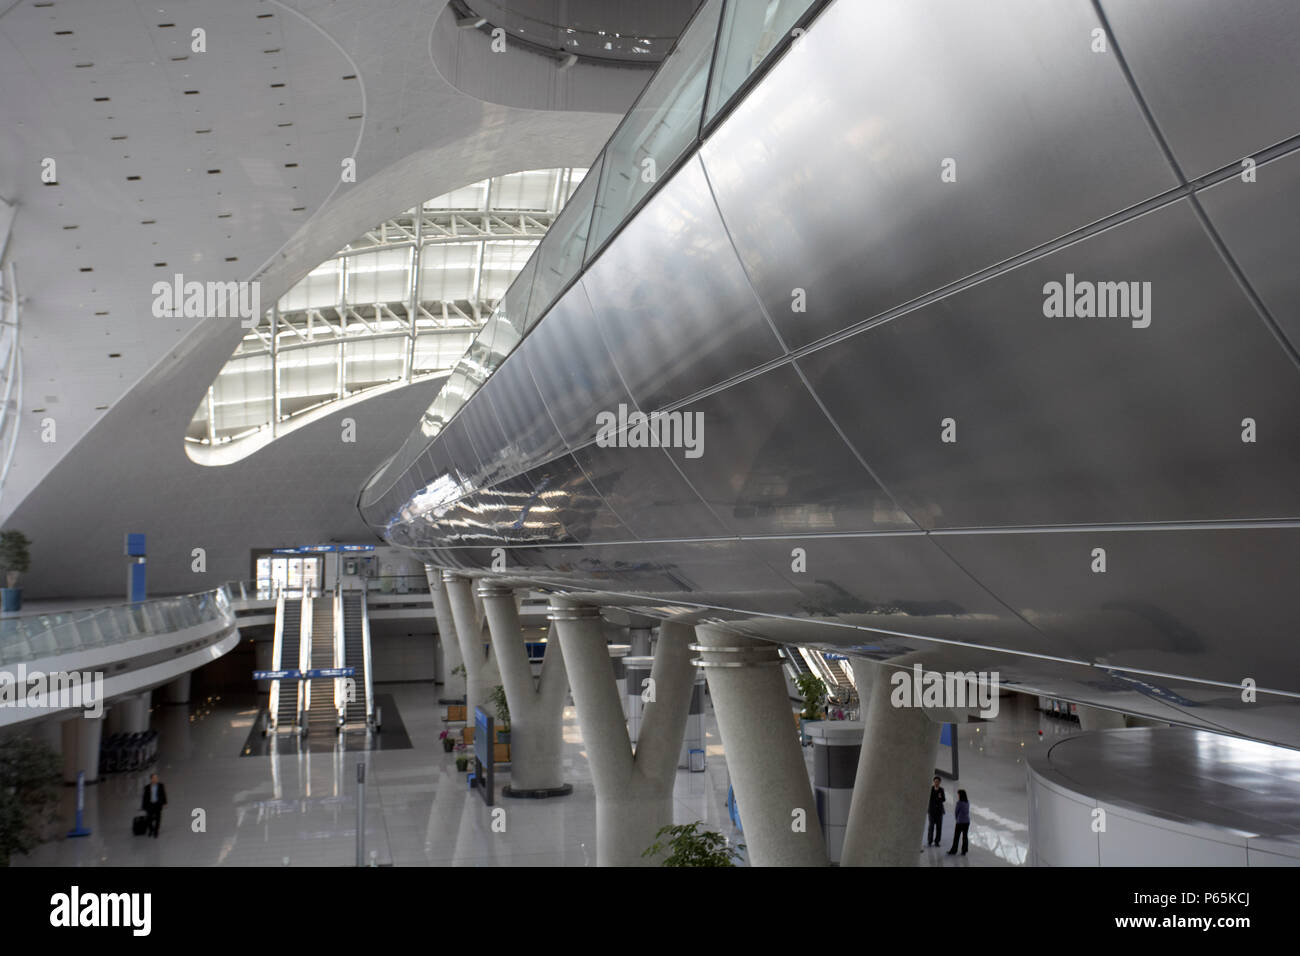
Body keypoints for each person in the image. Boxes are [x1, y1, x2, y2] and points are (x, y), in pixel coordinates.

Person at [141, 772, 167, 838]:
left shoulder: (161, 785)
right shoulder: (147, 787)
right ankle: (151, 829)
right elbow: (144, 797)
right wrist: (143, 806)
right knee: (148, 818)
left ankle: (156, 831)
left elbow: (163, 794)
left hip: (158, 804)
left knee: (158, 819)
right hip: (150, 805)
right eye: (154, 778)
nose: (156, 779)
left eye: (156, 778)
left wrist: (165, 803)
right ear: (151, 779)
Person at [947, 789, 970, 855]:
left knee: (956, 837)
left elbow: (956, 812)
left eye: (958, 794)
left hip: (960, 822)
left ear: (961, 795)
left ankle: (954, 850)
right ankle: (964, 850)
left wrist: (957, 819)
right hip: (967, 821)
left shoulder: (959, 803)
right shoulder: (967, 802)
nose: (958, 795)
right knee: (965, 836)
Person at [927, 775, 946, 846]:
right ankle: (930, 840)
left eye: (937, 782)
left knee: (939, 827)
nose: (936, 783)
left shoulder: (941, 790)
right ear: (933, 782)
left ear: (940, 782)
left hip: (939, 811)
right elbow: (929, 798)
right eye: (935, 782)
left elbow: (944, 799)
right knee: (931, 826)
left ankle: (937, 841)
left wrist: (940, 797)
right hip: (931, 811)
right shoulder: (930, 789)